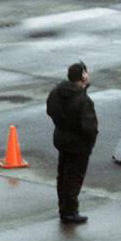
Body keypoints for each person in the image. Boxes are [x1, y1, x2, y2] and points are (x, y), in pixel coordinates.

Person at [47, 62, 98, 225]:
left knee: (62, 176)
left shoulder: (57, 92)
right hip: (78, 145)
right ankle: (70, 212)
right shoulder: (83, 100)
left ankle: (64, 208)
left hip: (62, 139)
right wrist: (89, 144)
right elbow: (89, 127)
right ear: (82, 76)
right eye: (86, 72)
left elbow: (50, 110)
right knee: (73, 178)